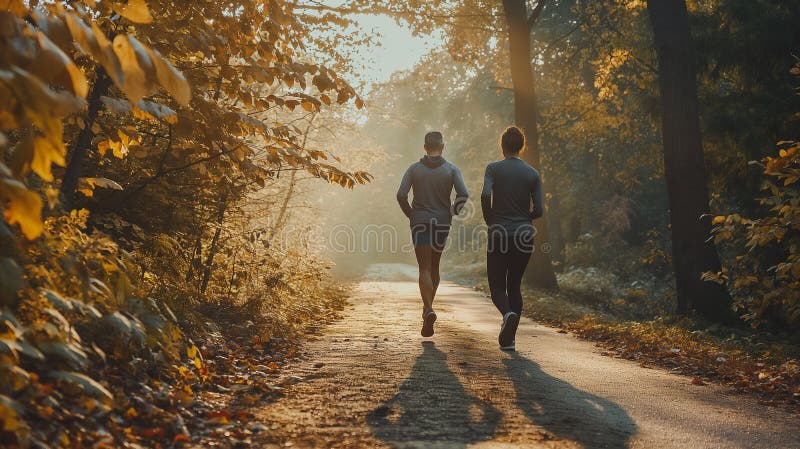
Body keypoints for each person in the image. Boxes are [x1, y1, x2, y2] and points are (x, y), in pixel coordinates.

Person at [397, 131, 469, 337]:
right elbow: (463, 194)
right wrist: (452, 212)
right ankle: (427, 308)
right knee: (435, 266)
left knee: (424, 268)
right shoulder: (451, 170)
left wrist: (411, 215)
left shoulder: (414, 169)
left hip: (419, 221)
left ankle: (428, 309)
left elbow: (401, 195)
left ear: (425, 147)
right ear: (443, 147)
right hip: (442, 222)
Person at [481, 126, 543, 351]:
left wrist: (492, 221)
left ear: (502, 146)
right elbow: (539, 210)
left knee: (497, 286)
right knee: (514, 286)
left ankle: (508, 315)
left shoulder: (493, 169)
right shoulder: (532, 174)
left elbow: (485, 195)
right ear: (522, 146)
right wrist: (522, 219)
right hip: (524, 235)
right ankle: (510, 339)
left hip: (499, 232)